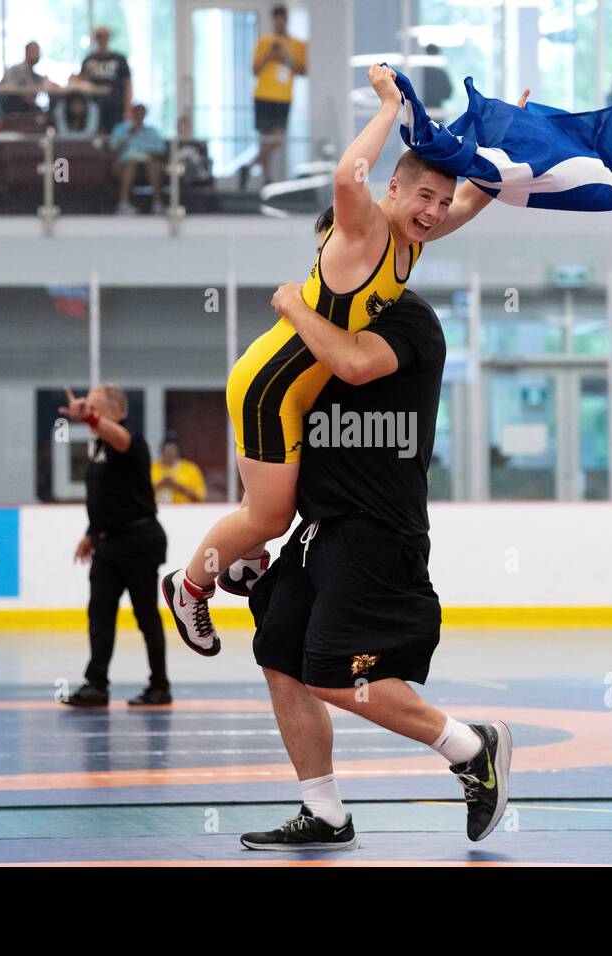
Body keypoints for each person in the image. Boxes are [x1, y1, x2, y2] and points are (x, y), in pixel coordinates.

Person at [162, 66, 528, 655]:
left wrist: (508, 135)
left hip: (304, 391)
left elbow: (470, 198)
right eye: (423, 197)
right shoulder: (364, 231)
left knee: (266, 507)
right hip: (272, 387)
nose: (434, 211)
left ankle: (236, 563)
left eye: (437, 201)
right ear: (393, 191)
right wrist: (387, 107)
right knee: (271, 518)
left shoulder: (414, 237)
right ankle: (188, 586)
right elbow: (345, 175)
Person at [237, 278, 510, 850]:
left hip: (375, 527)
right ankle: (324, 813)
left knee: (336, 673)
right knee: (281, 657)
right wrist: (254, 523)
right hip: (318, 524)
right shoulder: (320, 323)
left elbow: (354, 364)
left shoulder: (407, 318)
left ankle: (469, 746)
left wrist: (291, 305)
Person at [60, 385, 171, 706]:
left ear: (117, 411)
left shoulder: (131, 441)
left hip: (139, 541)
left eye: (95, 407)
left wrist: (90, 418)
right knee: (99, 615)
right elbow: (106, 497)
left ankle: (159, 685)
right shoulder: (98, 448)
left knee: (146, 615)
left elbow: (119, 438)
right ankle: (96, 685)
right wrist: (91, 533)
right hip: (107, 544)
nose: (88, 413)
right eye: (87, 407)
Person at [238, 5, 307, 190]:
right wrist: (270, 54)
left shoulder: (297, 44)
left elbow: (302, 70)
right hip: (263, 95)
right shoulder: (264, 42)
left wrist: (285, 56)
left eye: (281, 19)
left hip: (283, 97)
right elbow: (254, 70)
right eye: (275, 19)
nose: (278, 23)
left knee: (277, 139)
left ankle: (250, 165)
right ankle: (266, 178)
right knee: (265, 139)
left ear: (286, 20)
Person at [109, 104, 165, 214]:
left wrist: (149, 154)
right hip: (124, 163)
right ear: (132, 114)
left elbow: (161, 152)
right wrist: (128, 136)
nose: (139, 116)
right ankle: (123, 204)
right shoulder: (120, 129)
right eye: (137, 113)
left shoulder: (152, 131)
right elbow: (113, 152)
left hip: (147, 163)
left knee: (153, 165)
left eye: (142, 113)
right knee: (131, 164)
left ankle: (157, 204)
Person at [79, 26, 132, 133]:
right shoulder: (89, 59)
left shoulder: (119, 59)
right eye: (99, 36)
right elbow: (82, 83)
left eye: (104, 36)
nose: (102, 39)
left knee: (115, 136)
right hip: (94, 107)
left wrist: (128, 108)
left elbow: (127, 84)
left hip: (116, 106)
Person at [152, 435, 207, 504]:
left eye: (172, 450)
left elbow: (201, 498)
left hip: (184, 511)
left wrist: (179, 487)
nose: (169, 453)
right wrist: (160, 484)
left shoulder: (190, 469)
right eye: (166, 450)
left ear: (178, 451)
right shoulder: (151, 467)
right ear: (161, 450)